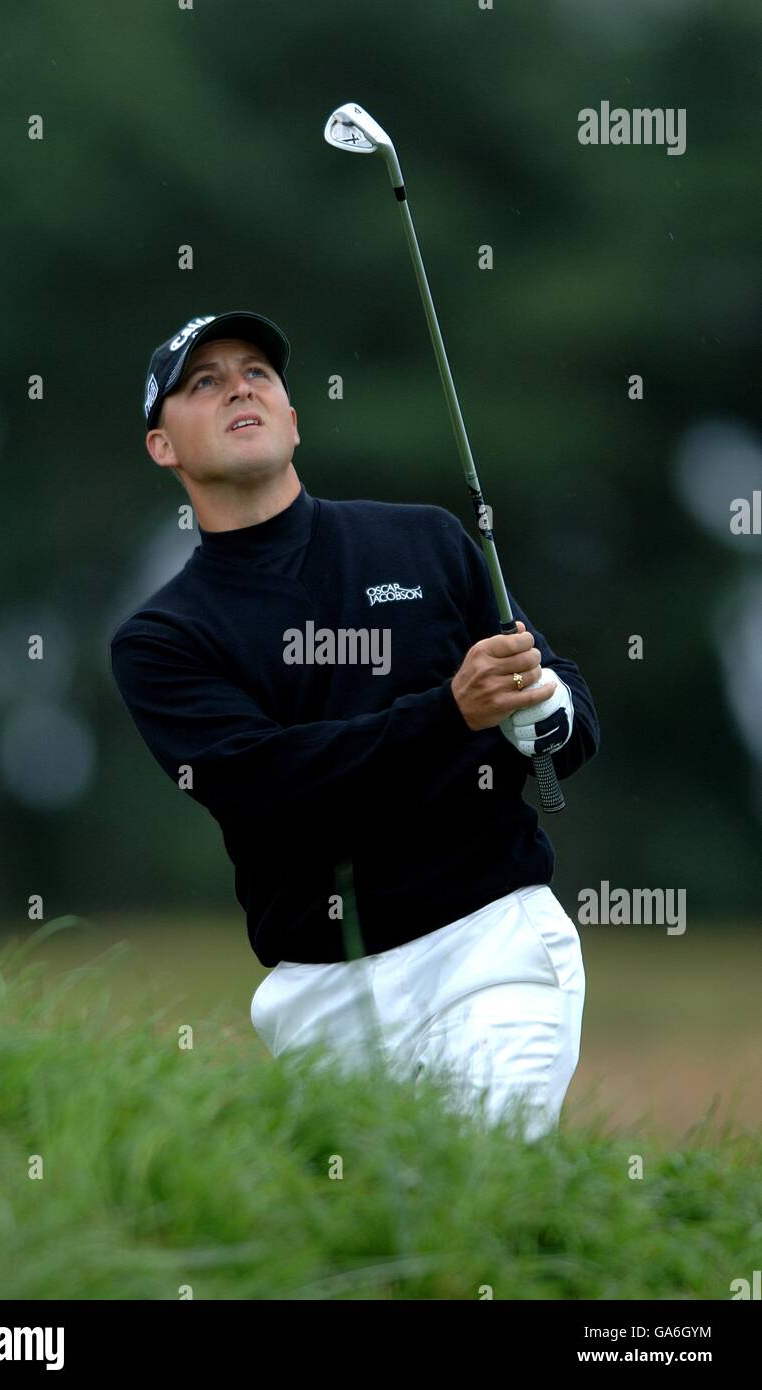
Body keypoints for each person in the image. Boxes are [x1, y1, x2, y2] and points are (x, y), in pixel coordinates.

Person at [110, 309, 600, 1140]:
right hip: (318, 992)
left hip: (490, 947)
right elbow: (270, 789)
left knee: (481, 1177)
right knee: (371, 1246)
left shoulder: (426, 541)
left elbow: (570, 718)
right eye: (204, 382)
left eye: (258, 373)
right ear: (163, 446)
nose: (239, 386)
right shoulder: (162, 640)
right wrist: (450, 715)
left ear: (292, 419)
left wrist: (543, 711)